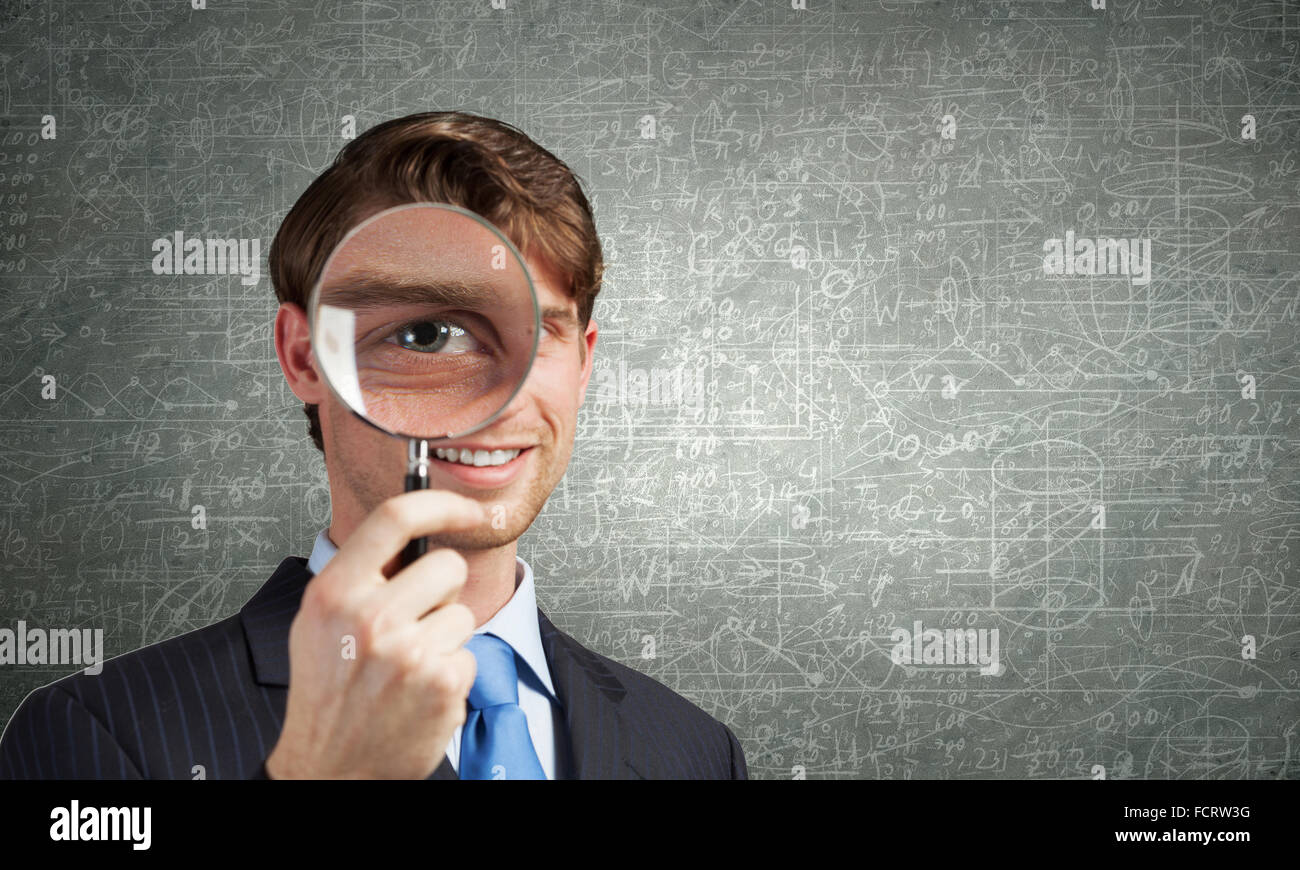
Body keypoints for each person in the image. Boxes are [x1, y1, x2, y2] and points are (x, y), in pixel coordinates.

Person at [0, 111, 747, 780]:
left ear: (584, 361)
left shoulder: (694, 749)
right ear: (305, 358)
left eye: (539, 334)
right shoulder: (95, 735)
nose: (506, 398)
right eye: (427, 335)